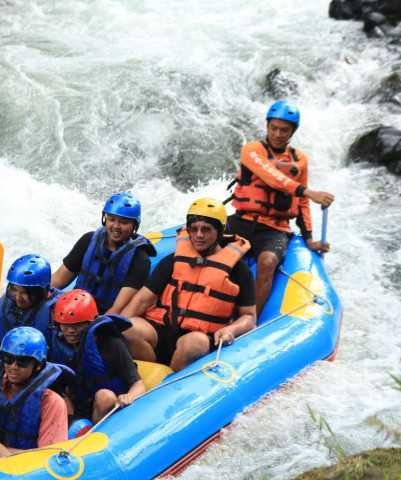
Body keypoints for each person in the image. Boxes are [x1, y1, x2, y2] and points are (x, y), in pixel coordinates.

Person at [122, 198, 257, 372]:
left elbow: (249, 317)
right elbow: (142, 300)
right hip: (162, 330)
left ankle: (168, 384)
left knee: (194, 343)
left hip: (198, 337)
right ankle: (156, 375)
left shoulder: (238, 269)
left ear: (220, 231)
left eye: (206, 229)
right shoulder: (173, 260)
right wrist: (116, 328)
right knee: (129, 328)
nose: (199, 235)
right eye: (194, 229)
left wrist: (232, 329)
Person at [226, 100, 335, 314]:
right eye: (273, 128)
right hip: (242, 221)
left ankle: (250, 319)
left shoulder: (300, 160)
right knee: (215, 255)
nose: (277, 134)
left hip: (274, 228)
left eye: (284, 130)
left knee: (267, 262)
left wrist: (309, 238)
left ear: (292, 132)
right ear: (267, 127)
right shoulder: (252, 150)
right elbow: (273, 178)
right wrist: (309, 192)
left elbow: (301, 203)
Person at [0, 327, 73, 461]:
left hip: (26, 469)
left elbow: (50, 457)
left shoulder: (51, 402)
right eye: (8, 359)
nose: (13, 366)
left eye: (22, 361)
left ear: (38, 365)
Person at [48, 288, 146, 424]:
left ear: (91, 322)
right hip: (79, 401)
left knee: (105, 396)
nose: (70, 331)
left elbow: (138, 384)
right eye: (65, 325)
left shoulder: (111, 343)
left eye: (77, 325)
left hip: (107, 405)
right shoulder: (59, 342)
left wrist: (129, 396)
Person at [51, 192, 156, 314]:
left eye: (124, 222)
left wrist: (93, 326)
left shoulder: (140, 259)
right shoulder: (88, 240)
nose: (116, 226)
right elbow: (58, 280)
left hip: (106, 316)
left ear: (134, 225)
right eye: (111, 219)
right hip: (74, 308)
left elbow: (118, 308)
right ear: (105, 219)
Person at [0, 254, 59, 360]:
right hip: (6, 367)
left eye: (25, 293)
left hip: (41, 372)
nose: (18, 298)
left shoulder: (57, 311)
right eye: (14, 290)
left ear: (42, 291)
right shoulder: (2, 305)